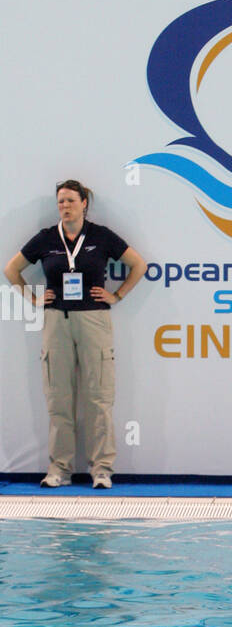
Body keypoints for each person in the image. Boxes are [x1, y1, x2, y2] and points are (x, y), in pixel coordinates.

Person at [4, 180, 147, 488]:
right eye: (60, 202)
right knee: (59, 399)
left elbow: (138, 265)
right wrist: (32, 298)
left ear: (84, 203)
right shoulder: (45, 239)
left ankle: (102, 470)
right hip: (57, 321)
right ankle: (60, 469)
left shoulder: (101, 236)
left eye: (70, 200)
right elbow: (11, 270)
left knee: (98, 398)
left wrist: (117, 295)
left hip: (94, 321)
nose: (64, 206)